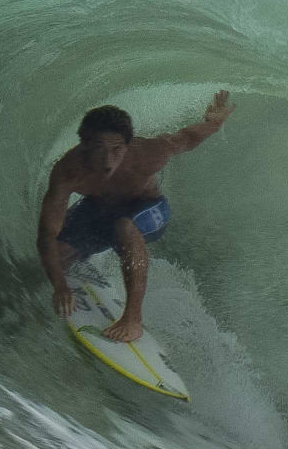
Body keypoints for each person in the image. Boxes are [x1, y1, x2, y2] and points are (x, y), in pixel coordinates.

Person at [39, 91, 232, 347]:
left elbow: (186, 139)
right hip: (98, 210)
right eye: (98, 149)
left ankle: (132, 320)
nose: (108, 161)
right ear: (84, 144)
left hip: (148, 209)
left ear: (128, 145)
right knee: (55, 257)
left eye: (117, 149)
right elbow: (47, 234)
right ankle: (80, 261)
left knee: (124, 226)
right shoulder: (67, 171)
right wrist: (60, 285)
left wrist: (213, 123)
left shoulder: (148, 153)